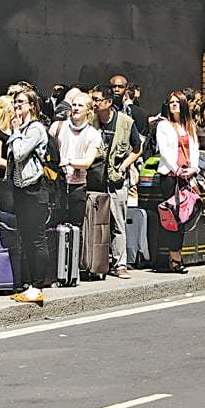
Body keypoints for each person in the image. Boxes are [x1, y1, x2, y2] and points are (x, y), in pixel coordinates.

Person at [90, 84, 142, 279]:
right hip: (94, 180)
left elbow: (138, 148)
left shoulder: (126, 122)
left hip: (116, 180)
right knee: (95, 223)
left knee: (117, 223)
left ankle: (120, 263)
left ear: (109, 102)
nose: (93, 104)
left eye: (97, 100)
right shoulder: (90, 121)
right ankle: (95, 262)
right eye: (92, 100)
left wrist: (124, 166)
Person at [7, 88, 49, 304]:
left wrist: (14, 132)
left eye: (21, 102)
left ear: (32, 105)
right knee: (26, 237)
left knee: (37, 238)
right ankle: (30, 284)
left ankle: (38, 285)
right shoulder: (22, 128)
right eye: (15, 102)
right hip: (20, 188)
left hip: (35, 188)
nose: (17, 106)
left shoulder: (35, 129)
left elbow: (20, 153)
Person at [155, 91, 200, 273]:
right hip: (170, 177)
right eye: (170, 102)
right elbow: (164, 153)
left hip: (186, 177)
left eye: (176, 102)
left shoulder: (189, 126)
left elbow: (195, 148)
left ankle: (177, 255)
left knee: (184, 217)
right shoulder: (163, 126)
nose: (173, 105)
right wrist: (177, 170)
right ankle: (174, 258)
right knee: (171, 218)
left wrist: (193, 169)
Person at [49, 92, 103, 227]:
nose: (76, 108)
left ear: (89, 111)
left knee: (76, 226)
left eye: (80, 105)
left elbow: (87, 162)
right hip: (57, 183)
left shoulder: (93, 134)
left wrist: (69, 161)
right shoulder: (57, 127)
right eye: (74, 105)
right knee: (54, 225)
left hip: (78, 186)